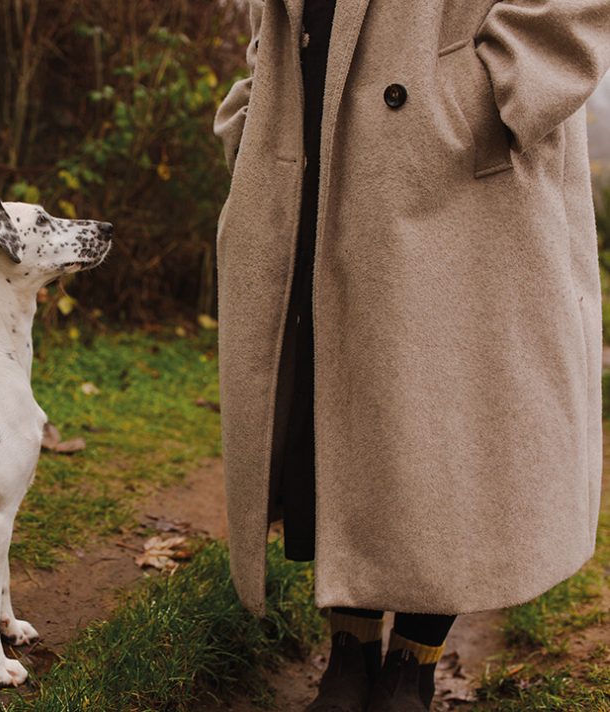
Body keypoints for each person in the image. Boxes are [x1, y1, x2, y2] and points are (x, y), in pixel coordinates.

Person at [213, 1, 610, 710]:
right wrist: (257, 108)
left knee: (444, 413)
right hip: (320, 127)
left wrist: (480, 91)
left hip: (454, 162)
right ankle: (351, 651)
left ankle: (413, 664)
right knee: (344, 394)